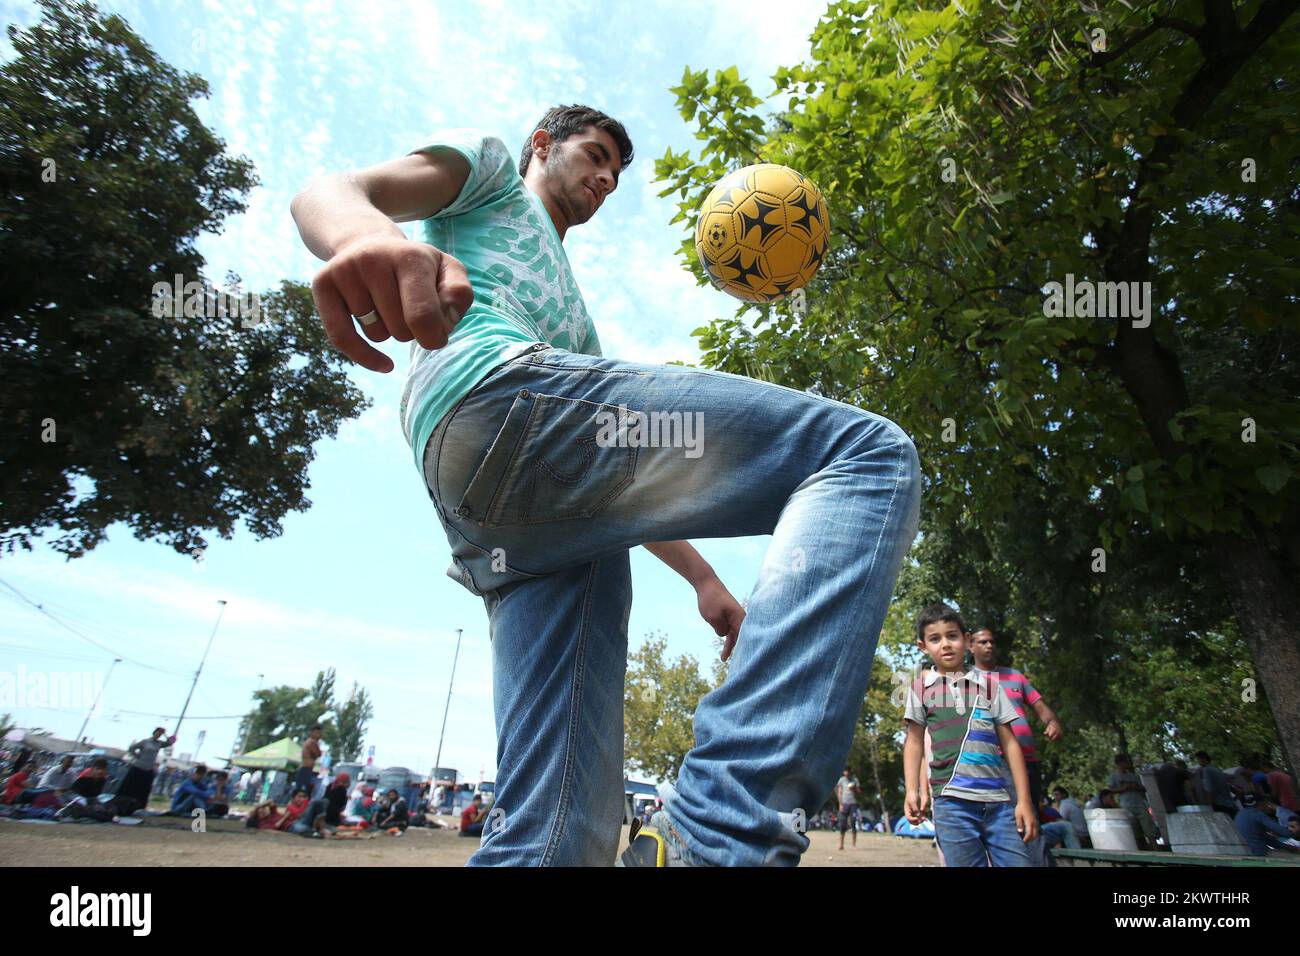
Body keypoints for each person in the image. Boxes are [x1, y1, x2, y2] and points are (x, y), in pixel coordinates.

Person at [292, 104, 921, 867]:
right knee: (863, 456)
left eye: (616, 177)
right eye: (594, 156)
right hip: (494, 396)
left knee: (557, 836)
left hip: (515, 516)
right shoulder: (490, 174)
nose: (603, 178)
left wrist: (704, 580)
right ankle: (718, 835)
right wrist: (369, 240)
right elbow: (330, 190)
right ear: (542, 145)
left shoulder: (576, 331)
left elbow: (617, 463)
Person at [902, 604, 1037, 867]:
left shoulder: (989, 685)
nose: (945, 644)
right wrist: (912, 790)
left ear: (966, 639)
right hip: (951, 804)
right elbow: (914, 743)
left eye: (952, 635)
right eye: (935, 639)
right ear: (923, 647)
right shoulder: (920, 689)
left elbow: (1010, 744)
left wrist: (1024, 801)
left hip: (999, 804)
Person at [968, 627, 1062, 812]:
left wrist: (1053, 722)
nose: (989, 645)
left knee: (1032, 819)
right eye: (983, 642)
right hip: (992, 763)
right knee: (1009, 821)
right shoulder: (964, 679)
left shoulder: (1015, 676)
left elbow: (1041, 708)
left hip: (1027, 762)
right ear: (971, 647)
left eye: (992, 642)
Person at [118, 727, 175, 811]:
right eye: (157, 732)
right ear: (154, 733)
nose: (158, 734)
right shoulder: (145, 742)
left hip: (148, 768)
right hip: (138, 766)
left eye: (160, 733)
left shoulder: (159, 743)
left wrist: (165, 734)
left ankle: (139, 806)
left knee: (143, 790)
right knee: (130, 787)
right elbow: (131, 748)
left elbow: (169, 743)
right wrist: (137, 756)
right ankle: (122, 803)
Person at [1108, 753, 1159, 849]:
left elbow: (1143, 789)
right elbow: (1110, 791)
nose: (1128, 763)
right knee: (1135, 834)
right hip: (1127, 806)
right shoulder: (1114, 776)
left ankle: (1157, 851)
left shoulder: (1132, 776)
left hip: (1140, 805)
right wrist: (1124, 788)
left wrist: (1136, 787)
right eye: (1126, 761)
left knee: (1150, 831)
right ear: (1120, 763)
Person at [1233, 793, 1298, 856]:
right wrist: (1293, 832)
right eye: (1266, 803)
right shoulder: (1257, 814)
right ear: (1261, 803)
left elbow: (1266, 838)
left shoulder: (1239, 814)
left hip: (1247, 851)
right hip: (1259, 852)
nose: (1268, 806)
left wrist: (1287, 847)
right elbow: (1283, 831)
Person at [1195, 751, 1239, 816]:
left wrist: (1209, 805)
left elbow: (1209, 789)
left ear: (1203, 759)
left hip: (1219, 804)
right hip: (1229, 804)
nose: (1198, 762)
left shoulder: (1206, 770)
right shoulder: (1216, 769)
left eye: (1198, 759)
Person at [290, 727, 323, 801]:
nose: (318, 735)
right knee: (302, 791)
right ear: (312, 733)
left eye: (319, 733)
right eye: (317, 733)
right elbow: (318, 753)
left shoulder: (311, 742)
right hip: (305, 770)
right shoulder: (311, 742)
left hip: (307, 769)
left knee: (304, 790)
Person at [835, 766, 863, 850]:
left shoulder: (855, 780)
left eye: (847, 771)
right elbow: (839, 792)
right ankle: (841, 844)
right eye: (844, 771)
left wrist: (854, 789)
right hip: (844, 804)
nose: (846, 773)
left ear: (850, 772)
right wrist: (840, 804)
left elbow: (859, 792)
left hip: (853, 804)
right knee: (842, 824)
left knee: (853, 823)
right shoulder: (842, 780)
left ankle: (854, 845)